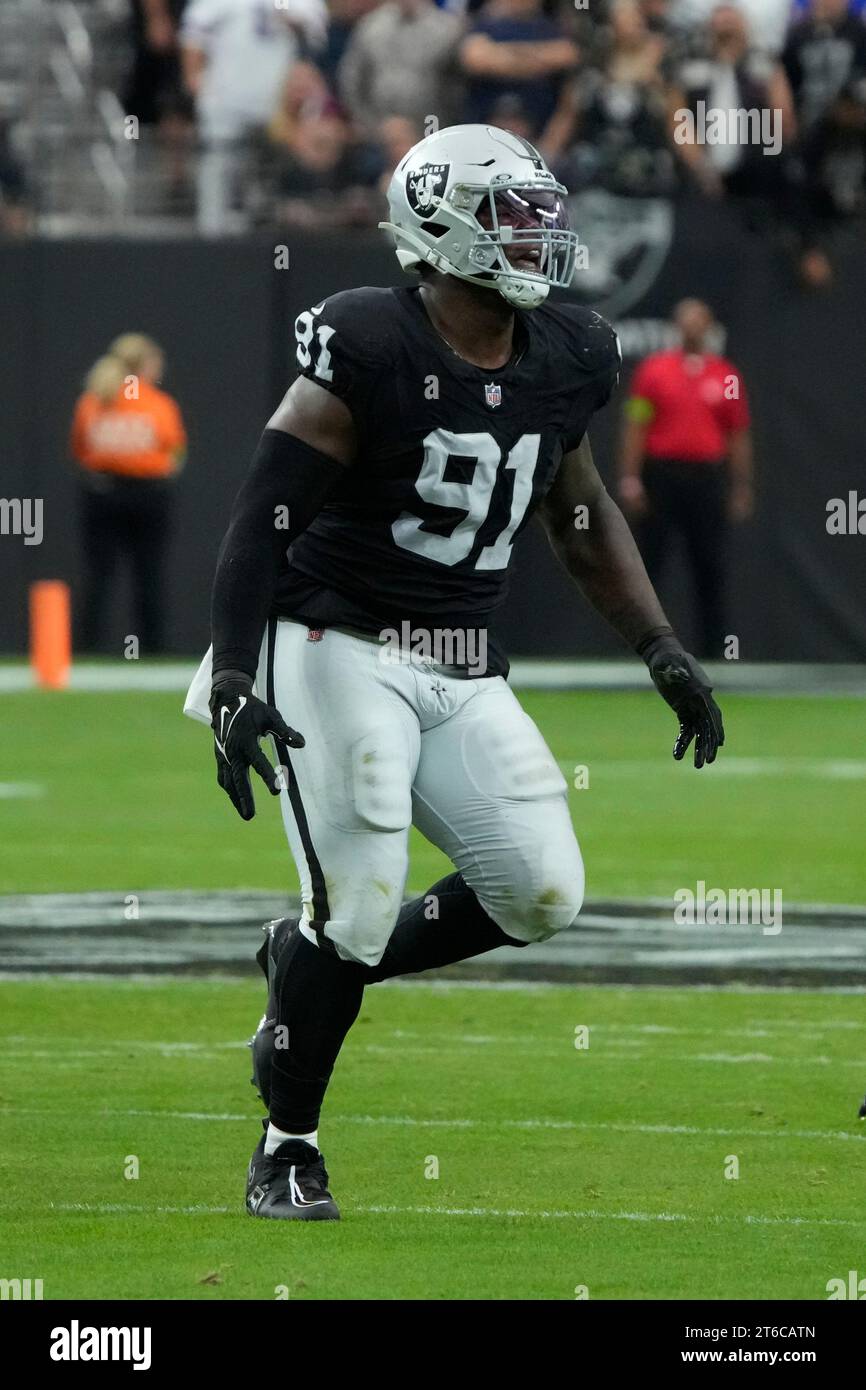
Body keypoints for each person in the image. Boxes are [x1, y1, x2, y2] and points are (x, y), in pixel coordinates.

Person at [183, 124, 724, 1221]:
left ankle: (304, 967)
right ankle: (287, 1145)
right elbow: (260, 514)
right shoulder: (371, 341)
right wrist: (237, 673)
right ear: (438, 229)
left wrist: (660, 646)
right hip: (329, 641)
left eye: (538, 210)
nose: (540, 233)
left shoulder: (566, 348)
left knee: (539, 889)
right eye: (512, 213)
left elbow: (575, 507)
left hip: (461, 660)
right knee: (363, 899)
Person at [617, 299, 753, 658]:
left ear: (710, 328)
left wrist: (740, 486)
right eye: (686, 322)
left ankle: (714, 653)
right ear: (676, 327)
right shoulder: (654, 371)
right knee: (652, 566)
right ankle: (647, 649)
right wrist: (631, 477)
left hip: (706, 479)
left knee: (710, 565)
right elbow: (637, 423)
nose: (692, 328)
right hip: (662, 476)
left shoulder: (726, 376)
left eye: (699, 322)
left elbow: (737, 433)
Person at [71, 334, 186, 654]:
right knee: (148, 574)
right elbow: (175, 453)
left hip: (102, 494)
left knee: (98, 576)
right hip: (148, 496)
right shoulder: (158, 404)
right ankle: (152, 651)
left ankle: (87, 650)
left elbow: (80, 450)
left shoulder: (93, 402)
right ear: (144, 365)